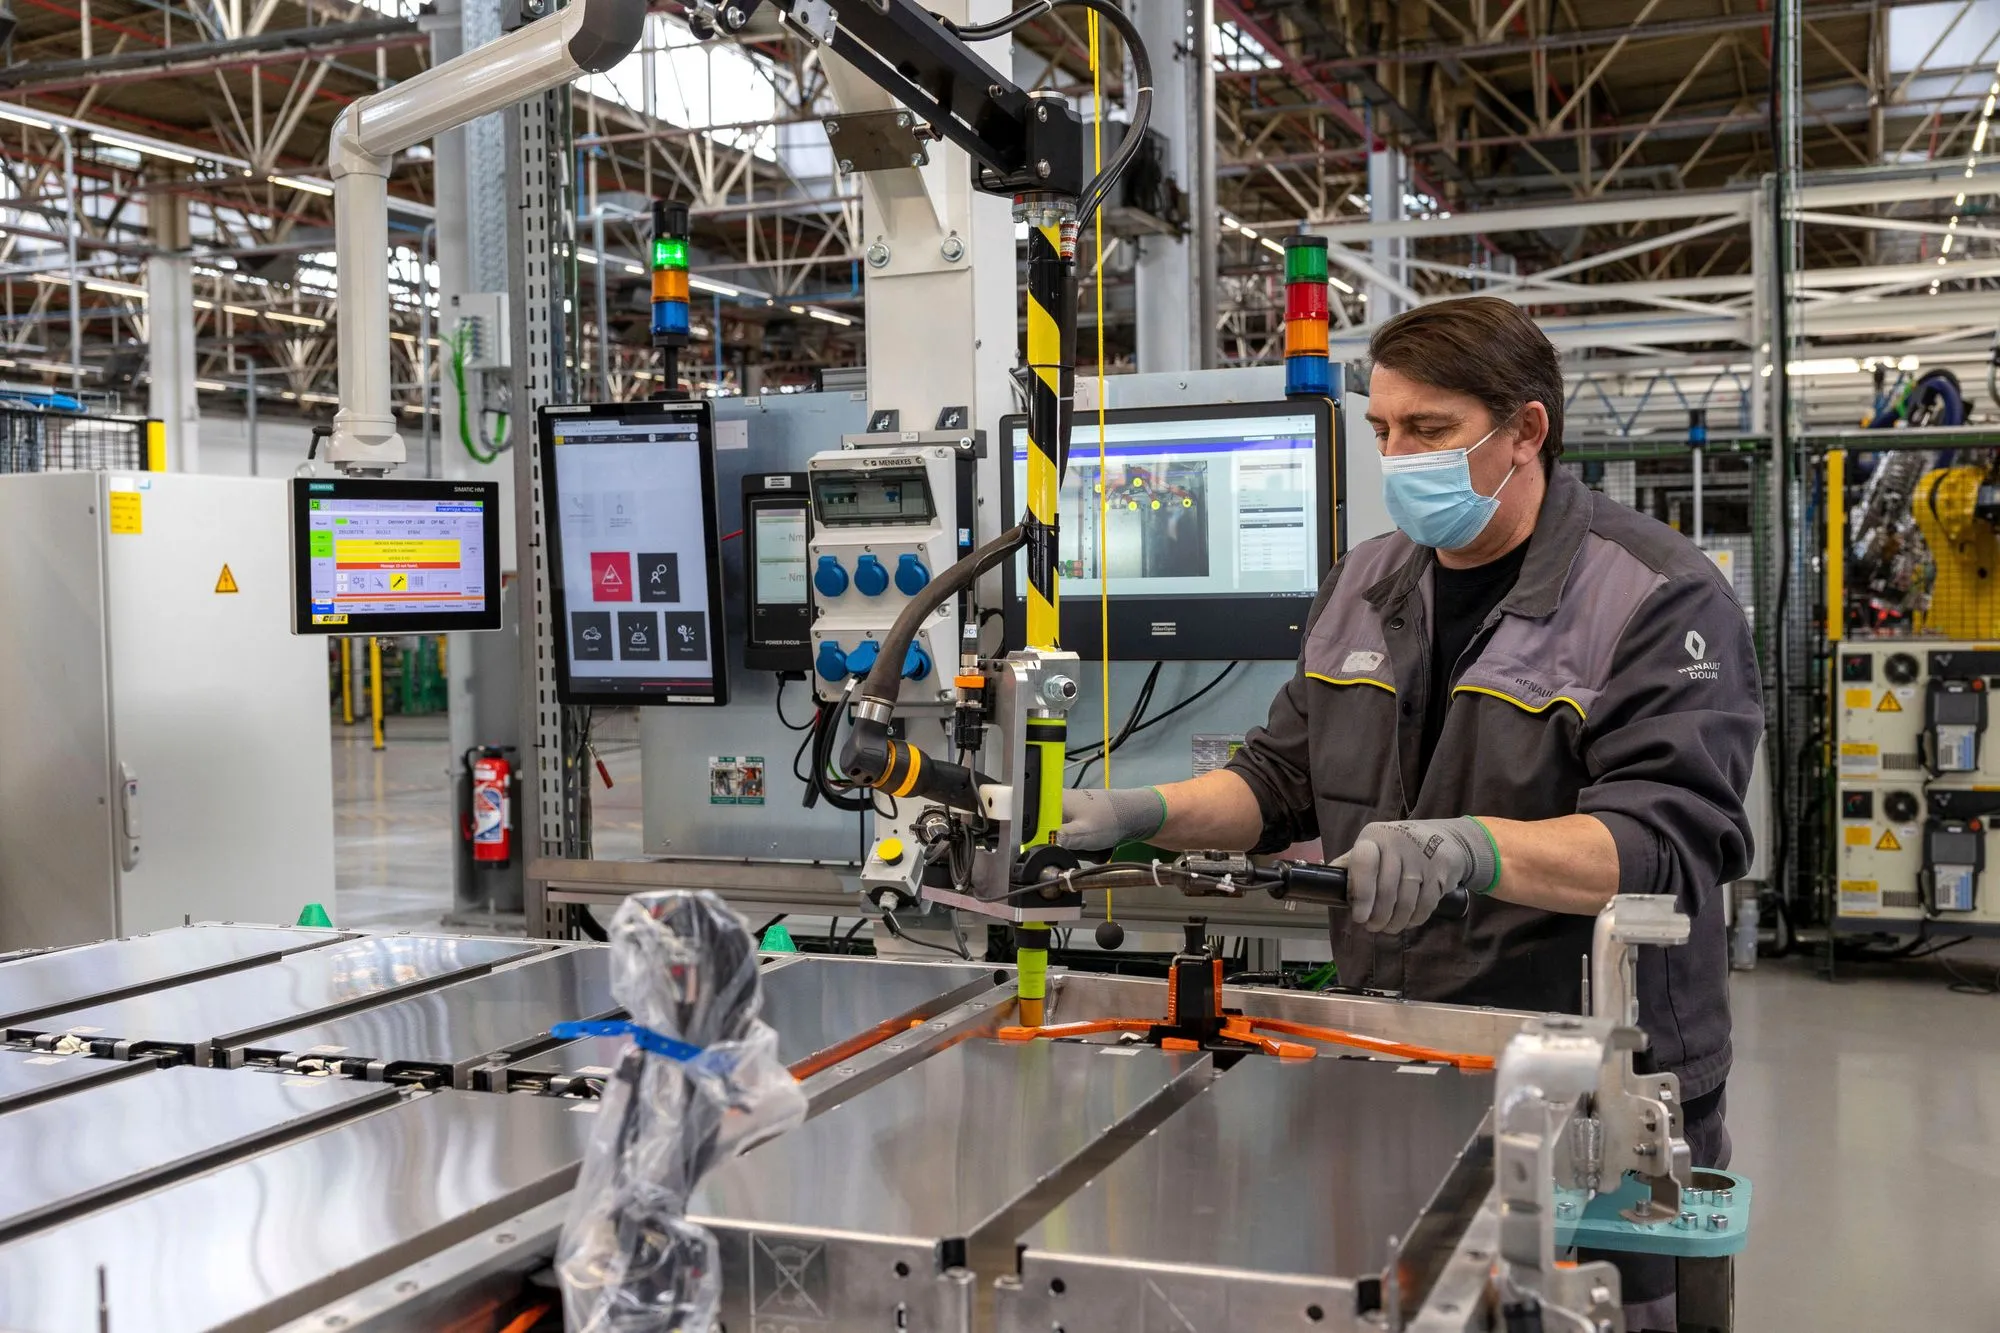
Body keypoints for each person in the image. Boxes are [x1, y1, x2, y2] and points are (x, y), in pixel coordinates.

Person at [1058, 296, 1762, 1331]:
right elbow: (1274, 783)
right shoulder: (1363, 581)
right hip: (1397, 1055)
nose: (1397, 457)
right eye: (1382, 430)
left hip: (1593, 1093)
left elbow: (1662, 847)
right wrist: (1135, 809)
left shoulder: (1655, 596)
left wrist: (1465, 849)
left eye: (1427, 431)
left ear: (1523, 431)